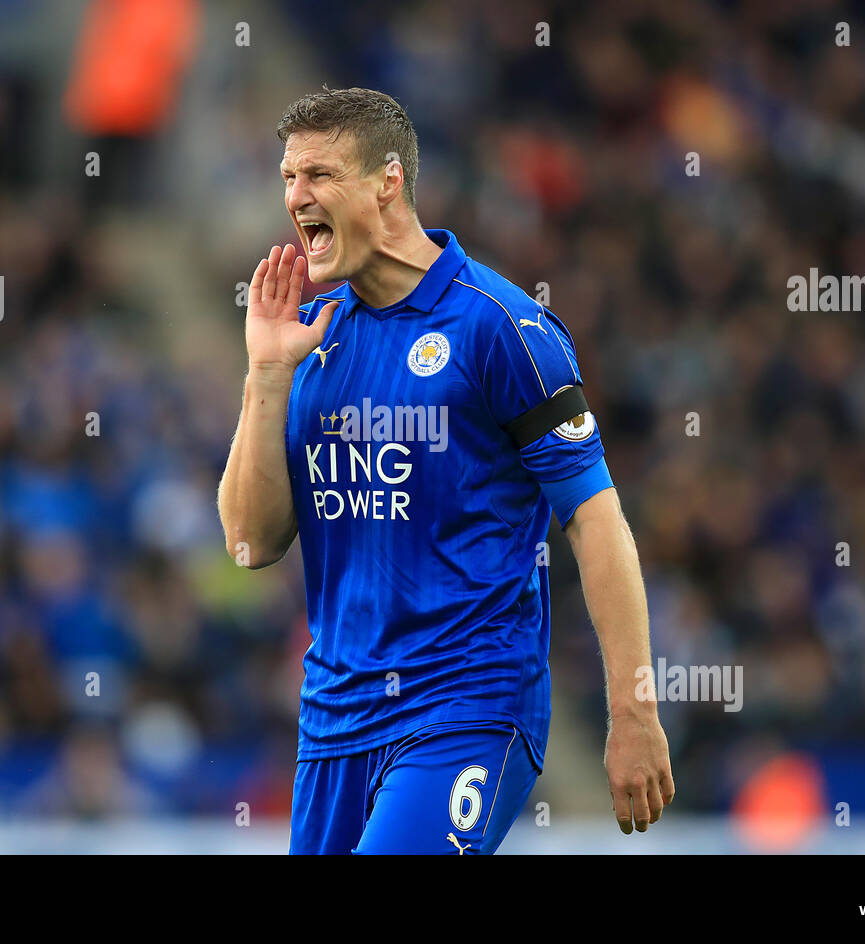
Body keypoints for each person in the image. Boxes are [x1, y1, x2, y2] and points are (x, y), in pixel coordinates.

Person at [217, 87, 673, 854]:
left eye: (320, 175)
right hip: (333, 722)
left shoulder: (501, 328)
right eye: (289, 178)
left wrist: (633, 711)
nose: (296, 198)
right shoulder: (307, 341)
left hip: (467, 706)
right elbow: (249, 543)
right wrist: (264, 377)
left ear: (387, 182)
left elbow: (595, 520)